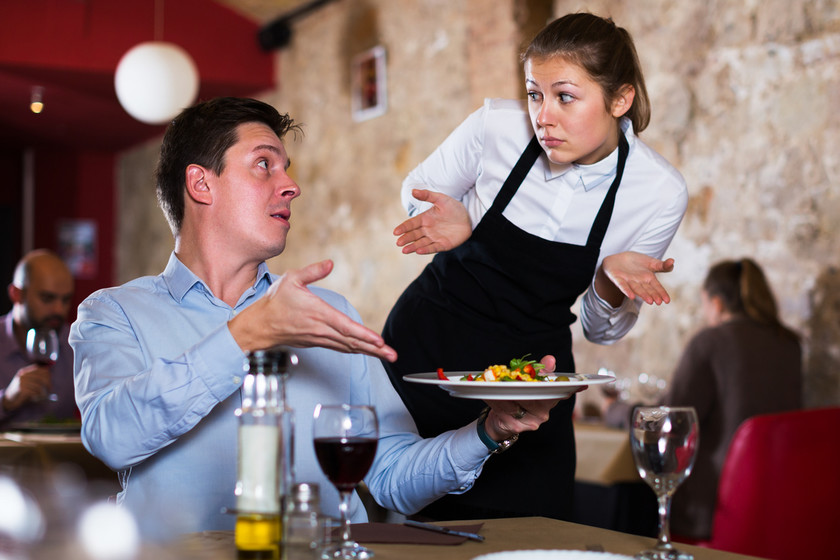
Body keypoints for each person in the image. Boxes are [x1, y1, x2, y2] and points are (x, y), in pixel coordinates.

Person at [70, 97, 561, 541]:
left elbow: (392, 477)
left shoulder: (331, 315)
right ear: (201, 183)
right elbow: (113, 438)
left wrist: (489, 430)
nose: (291, 186)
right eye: (264, 164)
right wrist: (247, 334)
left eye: (286, 168)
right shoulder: (113, 313)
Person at [381, 12, 688, 521]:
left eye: (565, 96)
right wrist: (449, 219)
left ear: (620, 99)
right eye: (534, 94)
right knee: (408, 529)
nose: (544, 115)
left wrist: (610, 282)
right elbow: (416, 190)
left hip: (532, 386)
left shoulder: (657, 192)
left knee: (536, 530)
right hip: (427, 356)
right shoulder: (495, 127)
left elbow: (601, 329)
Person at [604, 258, 802, 540]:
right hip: (779, 498)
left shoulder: (711, 342)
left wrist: (615, 411)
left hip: (715, 506)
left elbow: (668, 421)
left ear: (717, 303)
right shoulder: (789, 344)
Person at [0, 249, 77, 427]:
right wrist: (7, 400)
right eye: (47, 298)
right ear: (16, 294)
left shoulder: (75, 343)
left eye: (65, 300)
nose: (59, 310)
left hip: (60, 455)